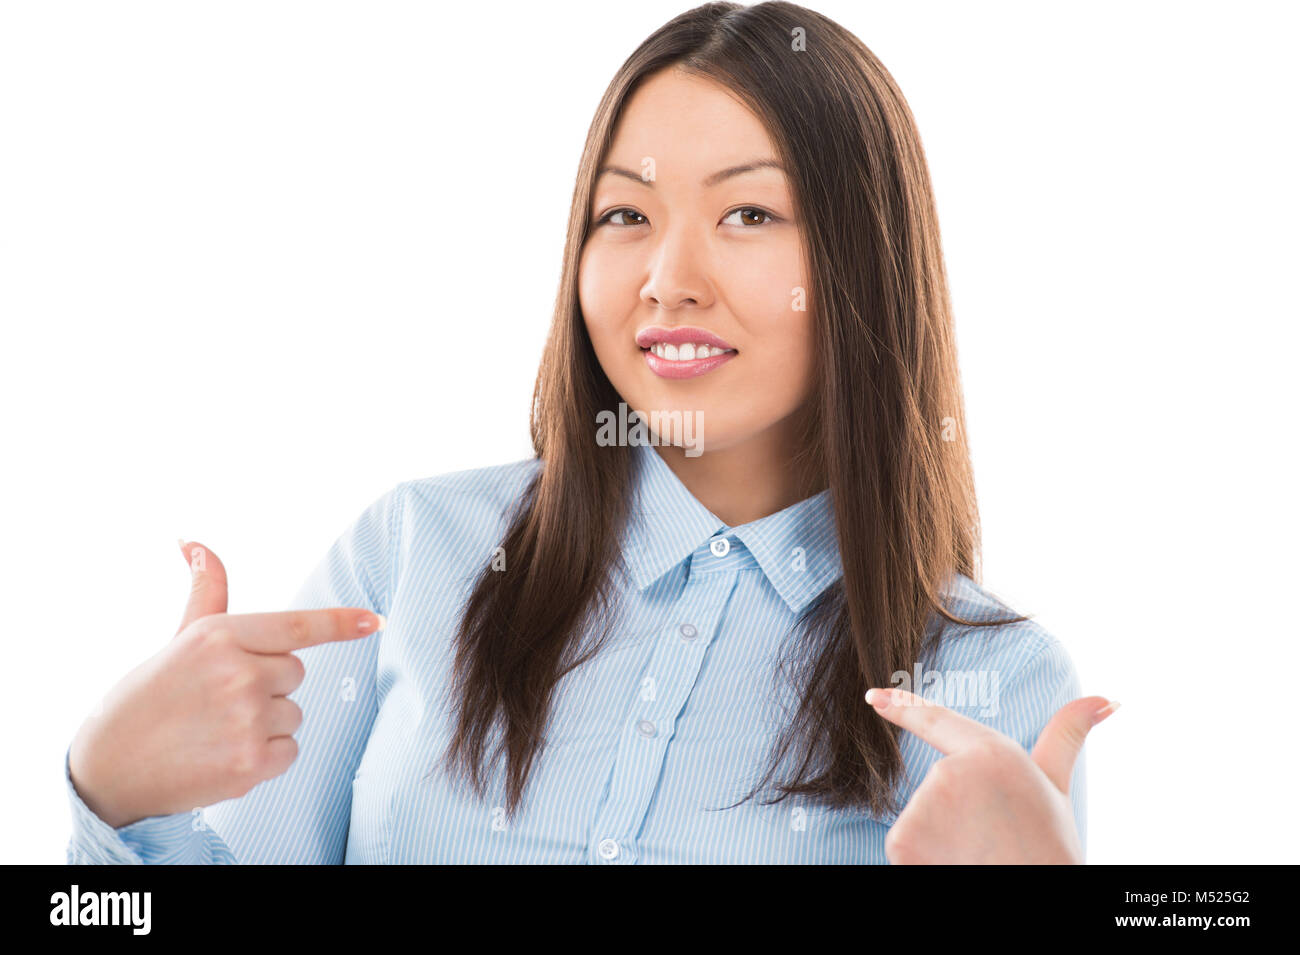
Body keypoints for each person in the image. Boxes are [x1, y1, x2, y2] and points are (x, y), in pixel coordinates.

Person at [65, 0, 1115, 865]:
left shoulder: (996, 688)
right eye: (624, 216)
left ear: (865, 263)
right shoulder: (409, 554)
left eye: (748, 214)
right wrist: (113, 801)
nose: (668, 280)